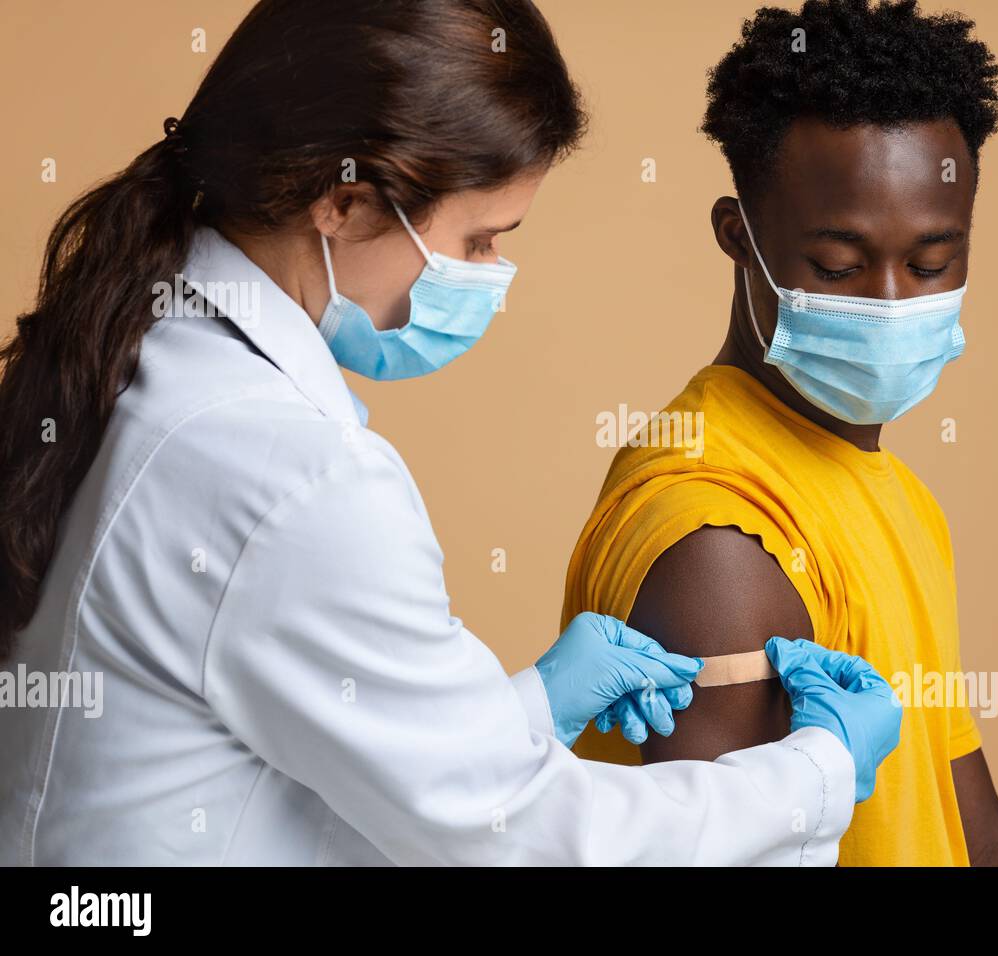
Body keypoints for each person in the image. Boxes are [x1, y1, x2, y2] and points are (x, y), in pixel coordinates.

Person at [0, 0, 902, 866]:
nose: (492, 277)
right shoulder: (292, 473)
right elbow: (521, 838)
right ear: (345, 204)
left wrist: (525, 711)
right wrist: (815, 774)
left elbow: (310, 730)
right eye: (478, 242)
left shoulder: (148, 350)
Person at [566, 0, 998, 865]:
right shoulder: (718, 538)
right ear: (737, 236)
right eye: (839, 266)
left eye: (932, 262)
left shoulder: (899, 498)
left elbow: (975, 833)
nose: (893, 303)